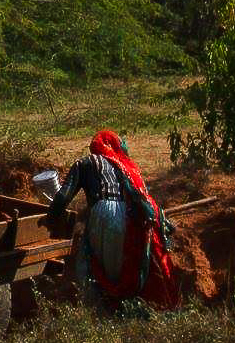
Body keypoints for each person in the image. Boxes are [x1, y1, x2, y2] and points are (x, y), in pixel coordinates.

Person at [48, 130, 179, 312]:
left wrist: (49, 217)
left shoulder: (84, 163)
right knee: (120, 267)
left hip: (102, 213)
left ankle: (101, 313)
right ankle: (126, 311)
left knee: (94, 265)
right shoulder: (123, 167)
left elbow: (63, 196)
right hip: (126, 217)